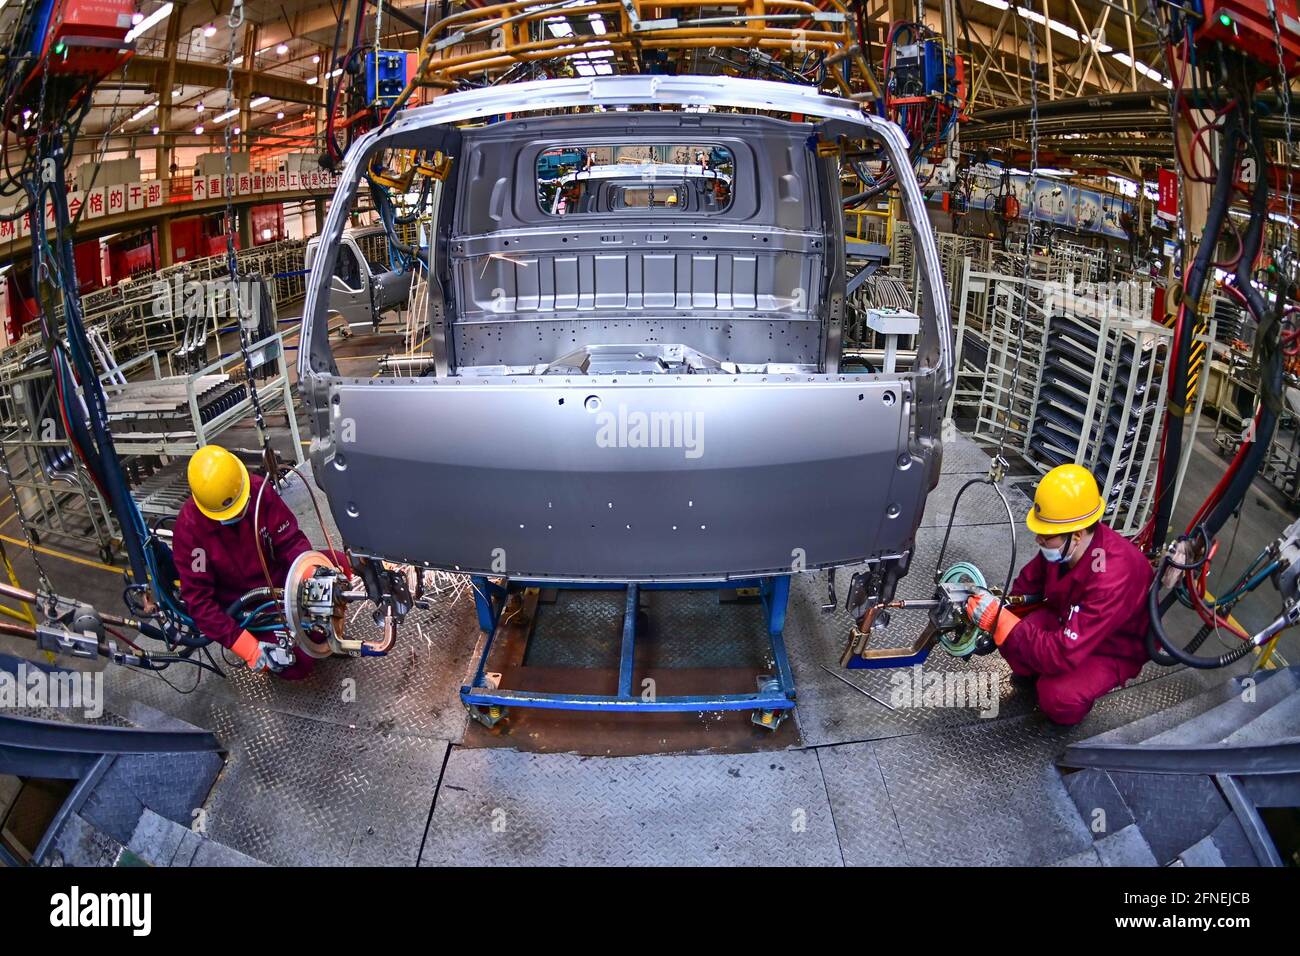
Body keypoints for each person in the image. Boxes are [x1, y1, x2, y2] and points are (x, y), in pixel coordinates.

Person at [969, 464, 1153, 725]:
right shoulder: (1065, 546)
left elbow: (1063, 653)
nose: (1038, 541)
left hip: (1111, 647)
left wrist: (1003, 623)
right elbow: (1028, 583)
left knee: (1057, 696)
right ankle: (1036, 671)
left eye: (1045, 536)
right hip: (1067, 621)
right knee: (1015, 636)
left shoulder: (1112, 577)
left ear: (1076, 535)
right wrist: (1002, 608)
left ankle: (1070, 696)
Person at [172, 445, 315, 679]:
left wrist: (309, 576)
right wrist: (247, 647)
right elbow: (199, 603)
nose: (237, 516)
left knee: (336, 566)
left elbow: (290, 541)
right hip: (247, 605)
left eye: (239, 508)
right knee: (297, 662)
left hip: (281, 579)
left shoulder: (258, 490)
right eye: (229, 515)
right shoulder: (190, 531)